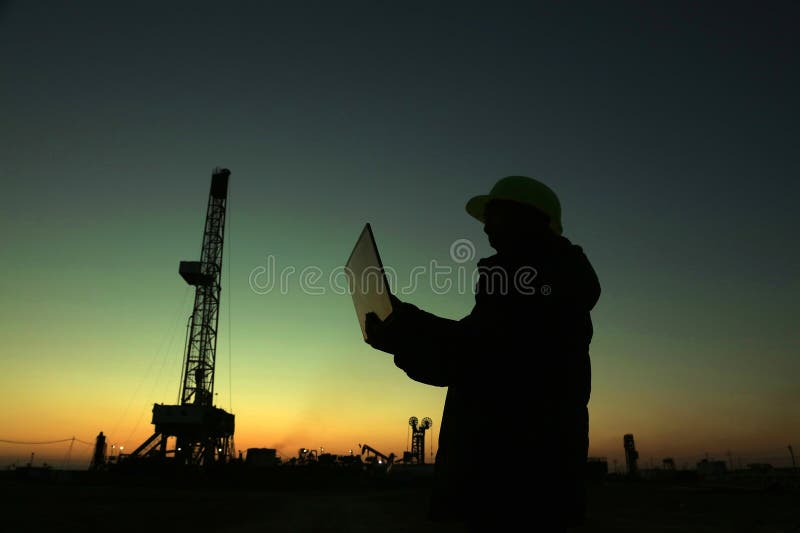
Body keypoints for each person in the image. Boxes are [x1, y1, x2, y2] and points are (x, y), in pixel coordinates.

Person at [364, 176, 601, 532]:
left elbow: (475, 360)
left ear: (529, 218)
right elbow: (477, 342)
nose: (486, 228)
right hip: (516, 479)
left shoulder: (544, 283)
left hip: (521, 483)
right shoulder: (540, 277)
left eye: (495, 216)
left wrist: (400, 336)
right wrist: (405, 318)